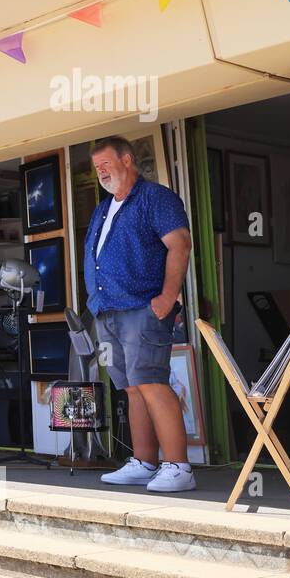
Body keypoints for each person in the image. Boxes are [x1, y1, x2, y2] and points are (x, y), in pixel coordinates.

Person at [86, 136, 196, 492]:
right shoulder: (103, 208)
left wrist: (167, 297)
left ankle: (179, 466)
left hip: (142, 307)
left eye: (106, 164)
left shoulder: (155, 198)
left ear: (127, 159)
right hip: (108, 310)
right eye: (97, 167)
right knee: (131, 389)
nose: (101, 172)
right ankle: (144, 462)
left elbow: (179, 244)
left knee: (151, 381)